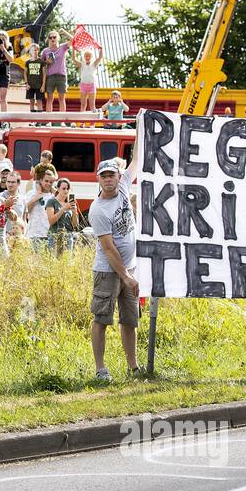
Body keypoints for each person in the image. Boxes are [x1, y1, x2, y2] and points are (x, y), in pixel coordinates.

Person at [90, 158, 141, 384]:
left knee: (130, 319)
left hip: (130, 267)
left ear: (119, 177)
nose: (108, 180)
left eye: (112, 175)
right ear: (99, 179)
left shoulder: (124, 187)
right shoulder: (98, 210)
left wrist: (141, 124)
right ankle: (101, 370)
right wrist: (126, 277)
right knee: (102, 318)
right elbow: (109, 249)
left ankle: (134, 367)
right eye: (104, 176)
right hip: (108, 272)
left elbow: (137, 159)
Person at [41, 28, 74, 114]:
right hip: (50, 77)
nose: (52, 39)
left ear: (57, 38)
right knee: (49, 99)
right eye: (50, 37)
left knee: (61, 98)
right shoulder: (45, 51)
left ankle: (62, 121)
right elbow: (41, 65)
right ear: (48, 39)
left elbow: (74, 40)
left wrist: (65, 32)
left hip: (61, 76)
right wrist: (46, 62)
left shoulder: (63, 47)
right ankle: (48, 121)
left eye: (54, 37)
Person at [25, 171, 60, 251]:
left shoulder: (54, 196)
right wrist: (35, 198)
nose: (48, 184)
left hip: (50, 234)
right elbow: (26, 210)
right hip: (34, 234)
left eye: (51, 182)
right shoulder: (32, 193)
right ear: (41, 181)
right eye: (46, 181)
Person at [50, 179, 81, 253]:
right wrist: (64, 209)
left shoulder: (69, 203)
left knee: (67, 261)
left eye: (68, 189)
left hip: (68, 237)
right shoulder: (52, 202)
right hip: (55, 236)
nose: (66, 191)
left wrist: (74, 212)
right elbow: (51, 221)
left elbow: (74, 225)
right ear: (57, 188)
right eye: (63, 188)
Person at [76, 46, 103, 117]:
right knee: (83, 104)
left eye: (89, 56)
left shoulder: (93, 64)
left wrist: (101, 49)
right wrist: (73, 49)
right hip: (83, 85)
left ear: (91, 57)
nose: (87, 57)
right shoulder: (82, 64)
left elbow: (100, 57)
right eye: (86, 56)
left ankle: (92, 123)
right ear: (84, 57)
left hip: (91, 85)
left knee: (92, 105)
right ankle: (82, 122)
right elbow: (73, 58)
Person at [23, 44, 45, 115]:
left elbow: (44, 74)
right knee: (31, 101)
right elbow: (25, 73)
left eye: (36, 50)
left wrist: (43, 85)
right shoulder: (28, 62)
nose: (34, 51)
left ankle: (39, 120)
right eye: (33, 50)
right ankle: (32, 120)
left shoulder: (41, 61)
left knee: (39, 101)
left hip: (39, 85)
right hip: (30, 85)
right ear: (30, 51)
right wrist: (26, 84)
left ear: (38, 51)